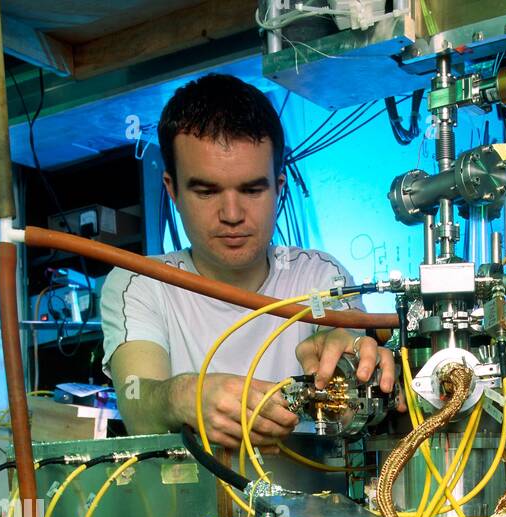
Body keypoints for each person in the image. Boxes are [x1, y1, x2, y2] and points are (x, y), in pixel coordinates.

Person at [100, 73, 396, 469]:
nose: (232, 214)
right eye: (206, 191)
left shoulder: (318, 276)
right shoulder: (140, 281)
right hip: (190, 509)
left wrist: (344, 349)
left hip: (316, 502)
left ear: (279, 187)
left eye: (252, 190)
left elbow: (342, 339)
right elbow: (137, 403)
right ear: (172, 190)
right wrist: (182, 395)